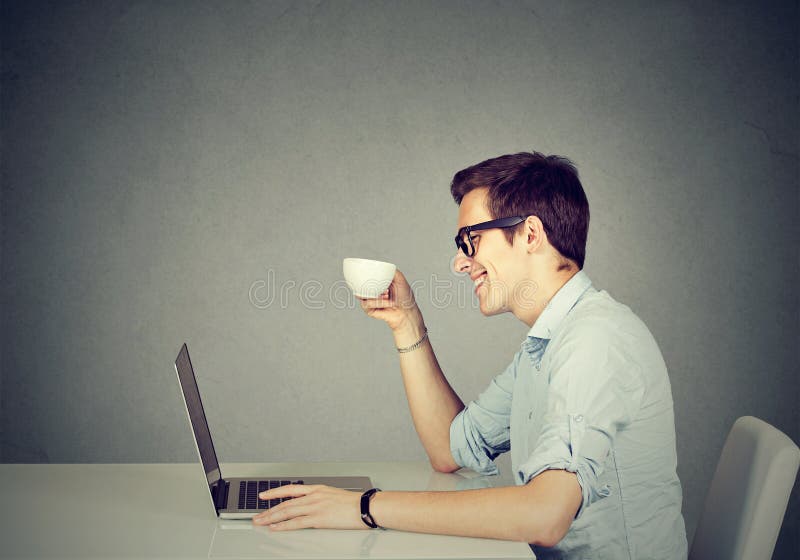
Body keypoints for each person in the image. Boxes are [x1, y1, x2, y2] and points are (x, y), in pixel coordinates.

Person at [253, 151, 688, 559]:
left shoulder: (595, 340)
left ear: (530, 234)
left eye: (471, 240)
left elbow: (545, 515)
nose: (460, 263)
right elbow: (451, 449)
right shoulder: (547, 344)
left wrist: (364, 507)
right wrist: (407, 323)